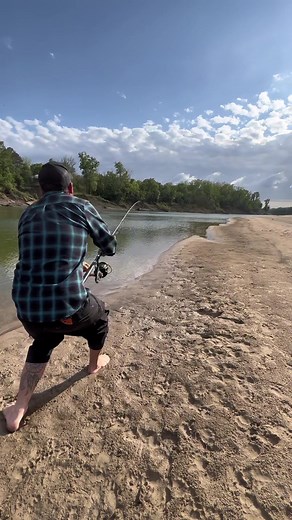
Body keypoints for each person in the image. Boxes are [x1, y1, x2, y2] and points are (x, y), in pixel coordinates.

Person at [3, 161, 116, 433]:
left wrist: (79, 265)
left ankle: (18, 408)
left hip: (27, 309)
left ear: (40, 189)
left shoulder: (27, 214)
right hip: (68, 309)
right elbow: (109, 246)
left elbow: (40, 261)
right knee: (100, 317)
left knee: (46, 338)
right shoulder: (80, 205)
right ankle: (93, 365)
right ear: (71, 188)